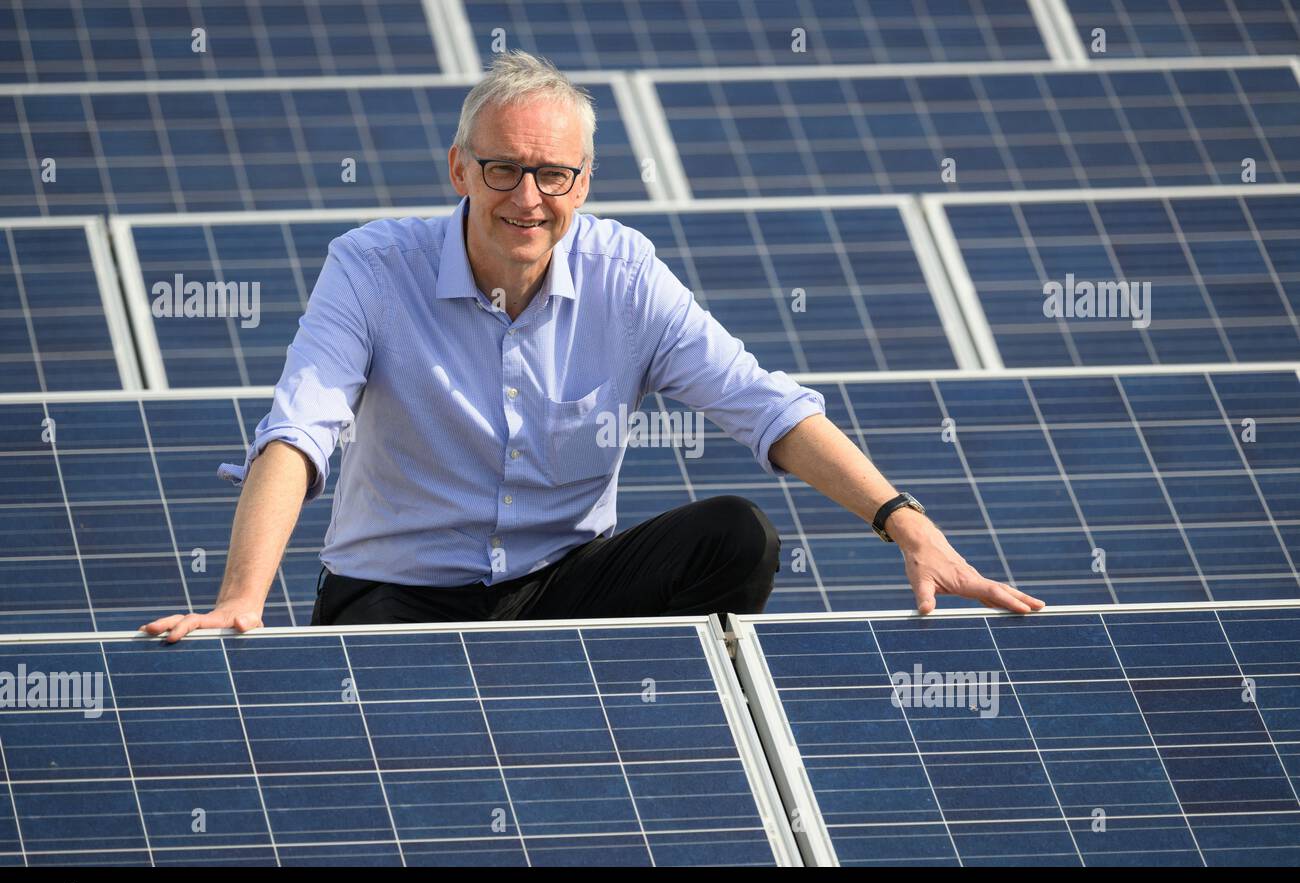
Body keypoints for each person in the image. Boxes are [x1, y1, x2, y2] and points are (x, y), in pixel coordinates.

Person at [142, 51, 1042, 643]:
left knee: (737, 535)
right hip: (397, 596)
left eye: (554, 174)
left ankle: (643, 711)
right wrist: (242, 599)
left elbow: (765, 405)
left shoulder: (625, 274)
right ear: (460, 168)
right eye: (503, 168)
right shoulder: (372, 268)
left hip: (562, 588)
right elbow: (300, 430)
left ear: (585, 181)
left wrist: (906, 526)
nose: (527, 197)